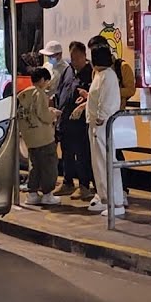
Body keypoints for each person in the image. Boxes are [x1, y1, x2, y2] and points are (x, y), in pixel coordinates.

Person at [86, 45, 126, 217]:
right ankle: (106, 199)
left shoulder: (107, 76)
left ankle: (116, 202)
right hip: (98, 125)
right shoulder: (102, 75)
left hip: (103, 126)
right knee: (100, 163)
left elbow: (106, 101)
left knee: (107, 162)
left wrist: (100, 118)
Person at [17, 67, 62, 206]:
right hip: (43, 137)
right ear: (42, 80)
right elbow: (44, 116)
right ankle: (47, 194)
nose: (47, 84)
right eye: (47, 81)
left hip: (29, 138)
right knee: (49, 165)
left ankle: (32, 194)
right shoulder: (40, 94)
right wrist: (53, 113)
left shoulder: (23, 95)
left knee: (34, 165)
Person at [55, 41, 94, 200]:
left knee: (82, 154)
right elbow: (60, 91)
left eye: (77, 58)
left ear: (85, 56)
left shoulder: (90, 72)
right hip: (65, 120)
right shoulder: (68, 71)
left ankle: (84, 185)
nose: (75, 61)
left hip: (81, 122)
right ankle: (67, 182)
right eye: (72, 58)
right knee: (67, 153)